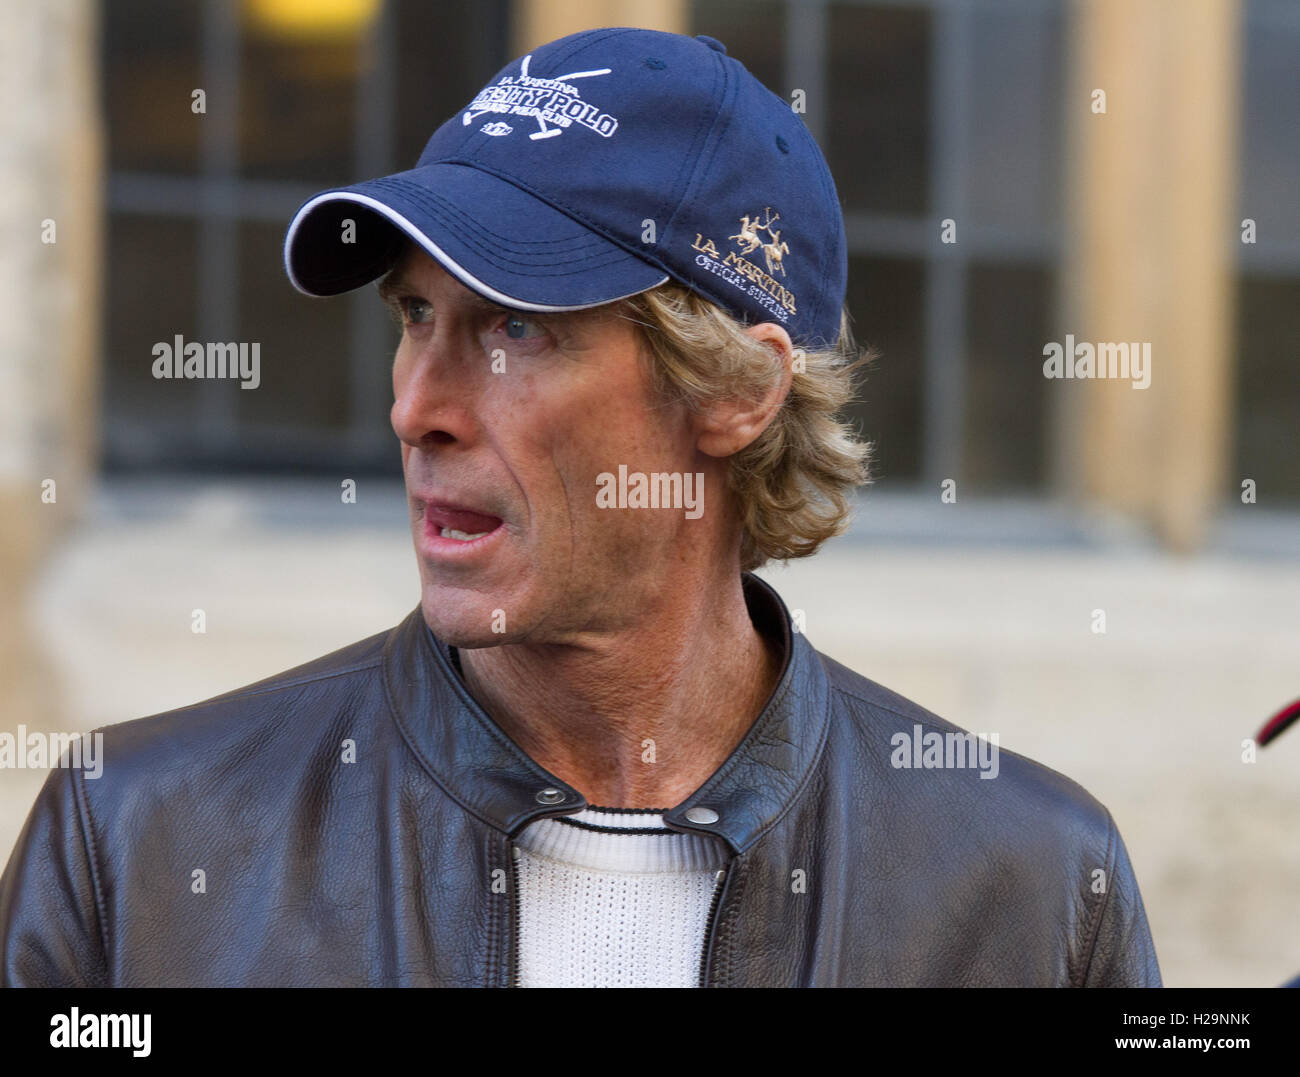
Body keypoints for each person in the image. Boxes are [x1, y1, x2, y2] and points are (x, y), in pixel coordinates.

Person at [0, 27, 1160, 987]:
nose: (417, 407)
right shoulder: (135, 852)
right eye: (414, 314)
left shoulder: (1035, 895)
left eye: (513, 327)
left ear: (738, 393)